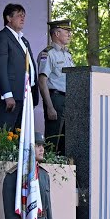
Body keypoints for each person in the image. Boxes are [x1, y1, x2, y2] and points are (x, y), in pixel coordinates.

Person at [0, 3, 38, 133]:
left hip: (25, 96)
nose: (23, 18)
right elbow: (0, 68)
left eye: (24, 16)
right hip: (10, 97)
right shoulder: (1, 37)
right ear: (8, 18)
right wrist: (7, 95)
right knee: (5, 137)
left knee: (20, 138)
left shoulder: (24, 40)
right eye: (19, 15)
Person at [38, 19, 76, 156]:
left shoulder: (68, 55)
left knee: (66, 141)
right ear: (57, 33)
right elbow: (42, 81)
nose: (70, 34)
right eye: (67, 31)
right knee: (53, 139)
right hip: (55, 99)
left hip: (69, 100)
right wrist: (49, 106)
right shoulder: (48, 54)